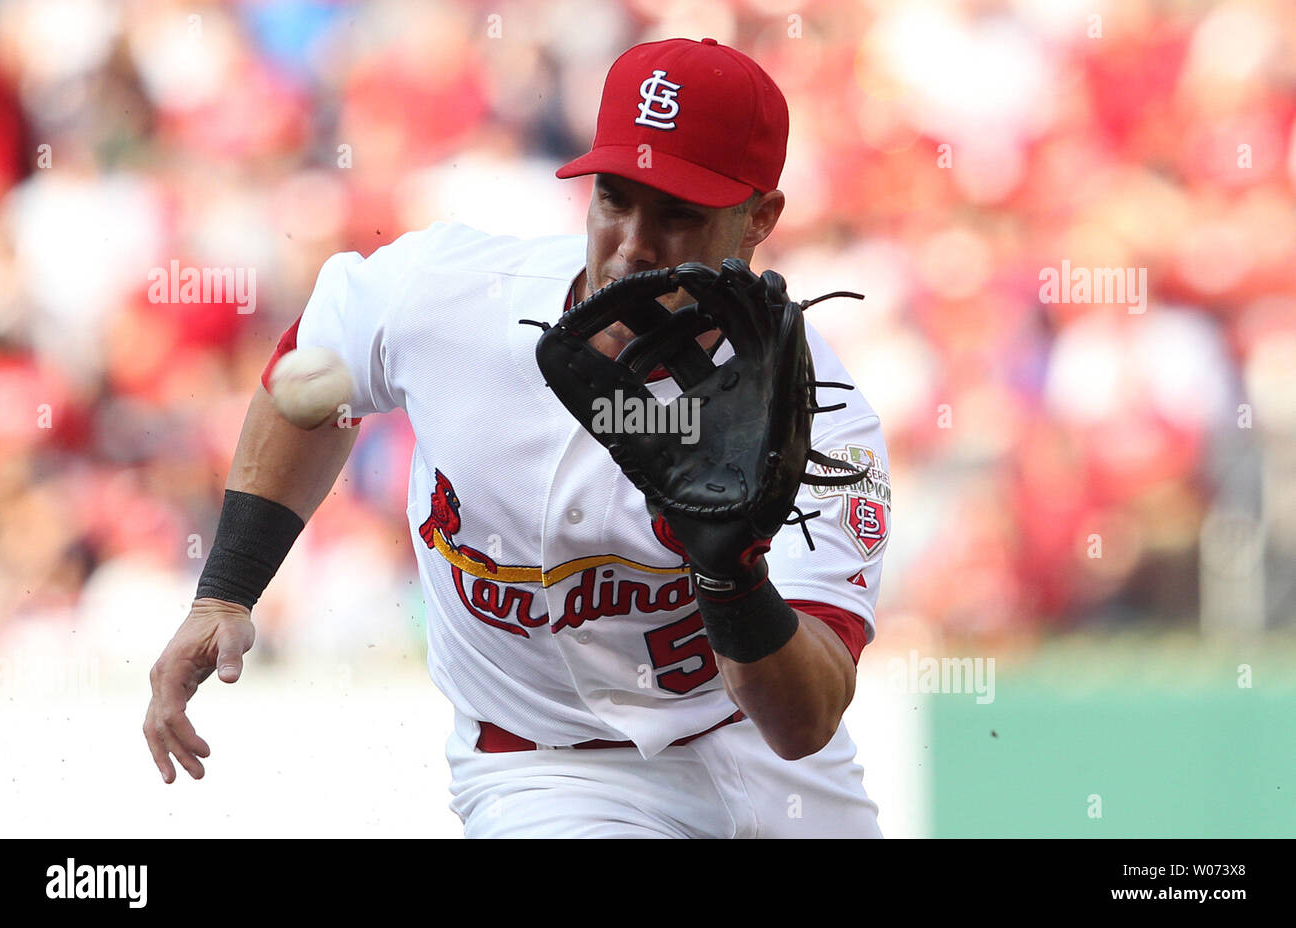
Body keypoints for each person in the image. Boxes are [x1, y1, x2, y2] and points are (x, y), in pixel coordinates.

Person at [143, 36, 892, 839]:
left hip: (774, 767)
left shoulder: (821, 418)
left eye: (680, 214)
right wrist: (226, 588)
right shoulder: (448, 297)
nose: (635, 243)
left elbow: (803, 722)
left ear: (759, 220)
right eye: (615, 197)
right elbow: (309, 378)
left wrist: (730, 576)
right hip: (549, 766)